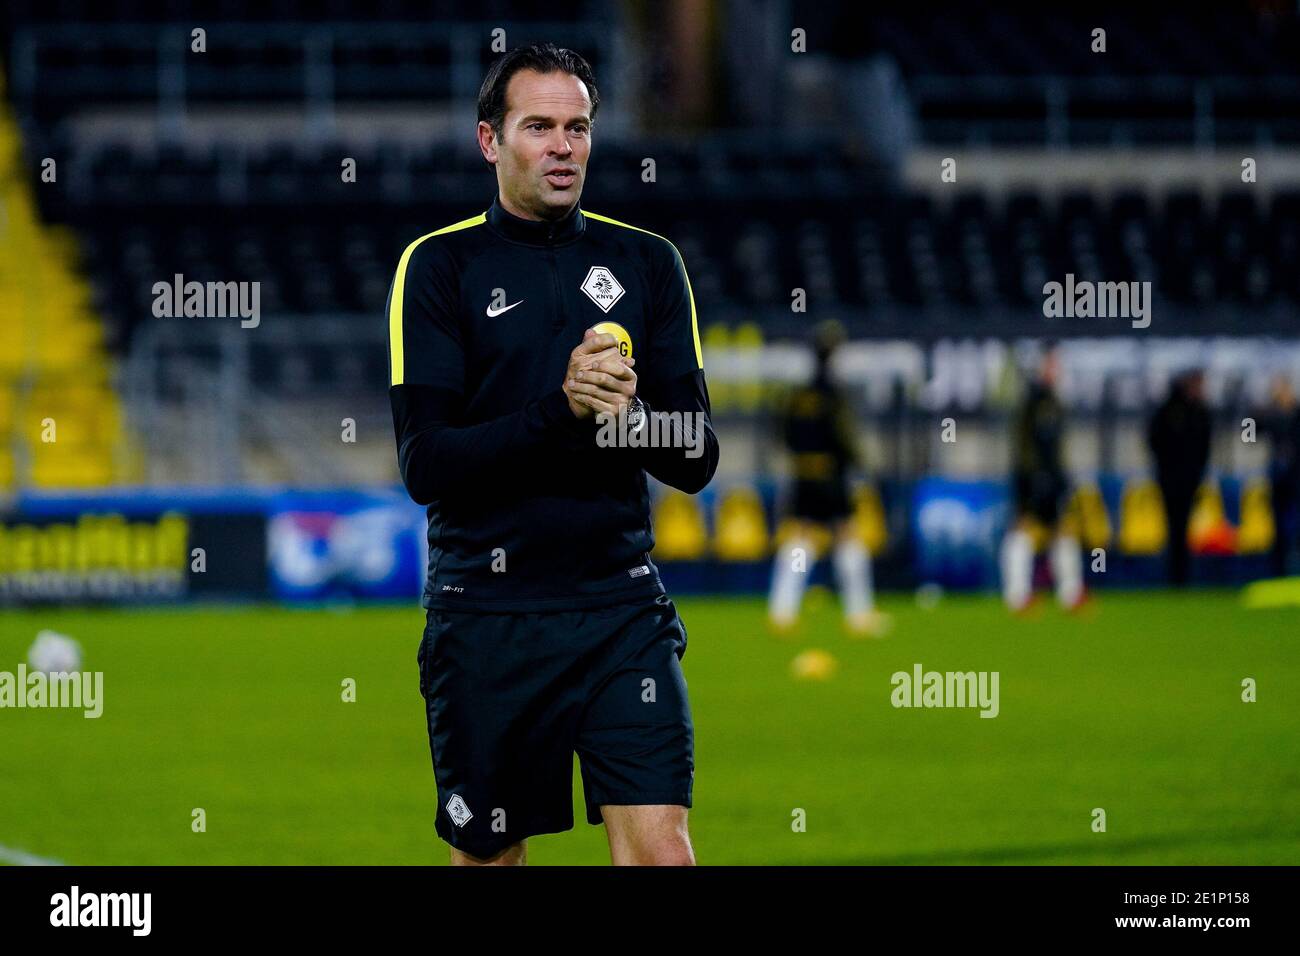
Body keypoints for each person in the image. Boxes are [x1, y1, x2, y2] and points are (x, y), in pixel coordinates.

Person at [387, 43, 719, 866]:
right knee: (492, 857)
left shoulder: (649, 261)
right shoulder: (438, 267)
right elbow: (426, 465)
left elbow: (697, 455)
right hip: (487, 619)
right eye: (539, 126)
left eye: (578, 127)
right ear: (489, 142)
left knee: (664, 851)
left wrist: (628, 416)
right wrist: (562, 411)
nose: (564, 146)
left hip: (619, 611)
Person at [767, 320, 885, 636]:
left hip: (803, 474)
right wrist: (861, 462)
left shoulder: (798, 395)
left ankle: (782, 610)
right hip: (831, 477)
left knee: (799, 539)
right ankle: (859, 613)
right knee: (847, 536)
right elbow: (845, 437)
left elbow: (782, 433)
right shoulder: (834, 395)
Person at [1000, 346, 1085, 612]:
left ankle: (1070, 593)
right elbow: (1024, 446)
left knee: (1062, 530)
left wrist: (1060, 475)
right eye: (1050, 365)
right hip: (1032, 477)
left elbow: (1057, 446)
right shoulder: (1032, 402)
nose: (1054, 370)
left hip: (1053, 476)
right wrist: (1030, 478)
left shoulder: (1053, 401)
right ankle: (1017, 594)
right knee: (1022, 529)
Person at [1147, 370, 1211, 586]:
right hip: (1172, 480)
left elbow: (1205, 447)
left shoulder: (1199, 412)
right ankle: (1176, 576)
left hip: (1188, 480)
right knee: (1175, 528)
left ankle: (1181, 576)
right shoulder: (1170, 411)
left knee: (1182, 528)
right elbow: (1154, 441)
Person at [1260, 375, 1300, 576]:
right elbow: (1248, 434)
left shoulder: (1296, 414)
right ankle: (1279, 571)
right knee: (1278, 529)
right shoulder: (1271, 415)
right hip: (1277, 478)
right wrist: (1258, 411)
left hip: (1296, 478)